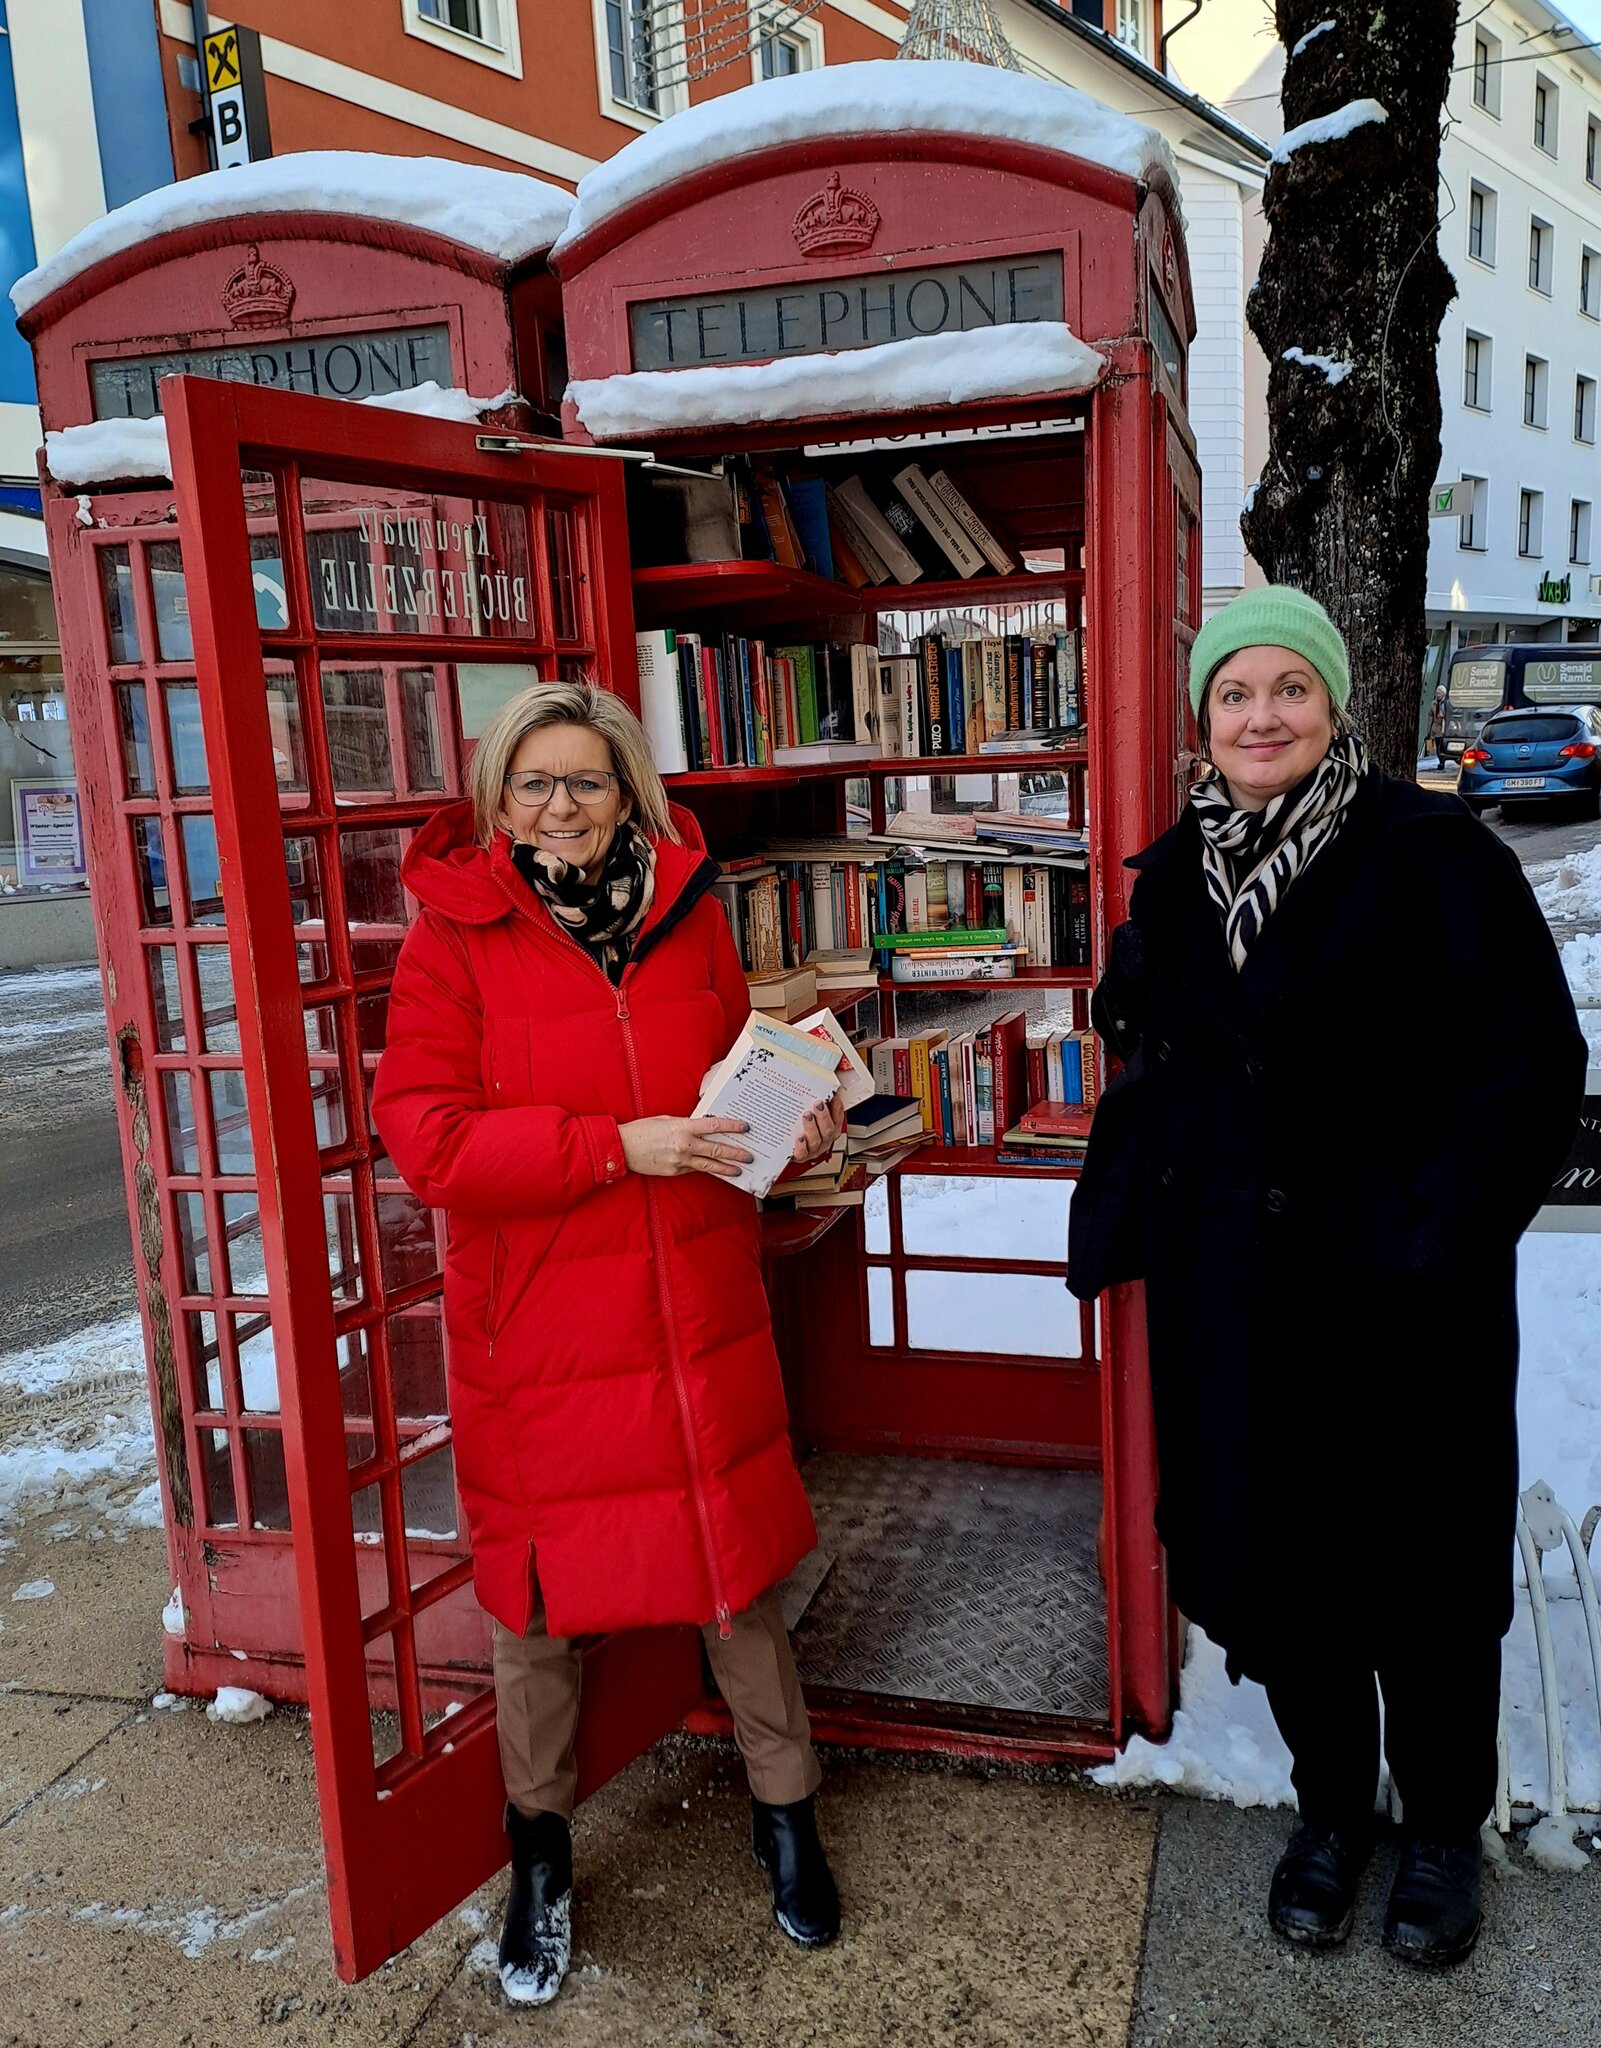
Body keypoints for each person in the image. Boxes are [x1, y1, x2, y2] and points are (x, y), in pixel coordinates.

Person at [1069, 587, 1584, 1969]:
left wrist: (1435, 1231)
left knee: (1422, 1586)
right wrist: (1125, 1204)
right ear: (1203, 720)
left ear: (1334, 702)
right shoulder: (1172, 881)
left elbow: (1532, 1063)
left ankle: (1441, 1828)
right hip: (1235, 1305)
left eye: (1288, 688)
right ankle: (1333, 1811)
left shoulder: (1434, 851)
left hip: (1397, 1302)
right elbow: (1157, 1074)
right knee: (1282, 1572)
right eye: (1233, 693)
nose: (1262, 717)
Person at [372, 679, 843, 2007]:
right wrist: (609, 1148)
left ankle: (788, 1817)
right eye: (532, 783)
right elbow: (428, 1138)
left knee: (735, 1579)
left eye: (585, 781)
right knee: (534, 1613)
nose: (559, 808)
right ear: (496, 796)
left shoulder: (691, 915)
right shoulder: (453, 935)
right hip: (543, 1327)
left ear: (628, 790)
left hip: (694, 1306)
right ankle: (538, 1855)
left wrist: (792, 1123)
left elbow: (728, 1084)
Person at [1428, 683, 1450, 772]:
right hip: (1436, 727)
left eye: (1439, 693)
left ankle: (1443, 761)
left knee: (1442, 746)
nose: (1437, 695)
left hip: (1444, 727)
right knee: (1438, 746)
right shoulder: (1433, 704)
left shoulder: (1447, 703)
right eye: (1437, 693)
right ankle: (1441, 761)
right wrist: (1430, 729)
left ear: (1443, 694)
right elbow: (1431, 716)